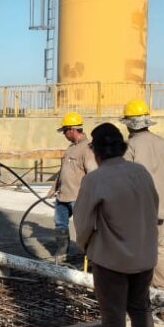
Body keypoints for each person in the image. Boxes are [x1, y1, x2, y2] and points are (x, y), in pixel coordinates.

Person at [73, 123, 161, 327]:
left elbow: (82, 222)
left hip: (111, 259)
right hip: (144, 256)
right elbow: (154, 206)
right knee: (141, 309)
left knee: (113, 315)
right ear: (122, 147)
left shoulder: (95, 180)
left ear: (96, 151)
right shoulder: (140, 172)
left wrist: (85, 246)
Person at [121, 98, 164, 291]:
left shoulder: (129, 146)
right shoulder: (163, 143)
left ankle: (137, 291)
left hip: (137, 208)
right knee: (159, 247)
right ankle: (163, 291)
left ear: (129, 123)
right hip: (160, 206)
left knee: (134, 249)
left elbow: (124, 179)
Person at [43, 111, 97, 263]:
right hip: (63, 195)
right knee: (60, 224)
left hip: (78, 197)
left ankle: (89, 260)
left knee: (83, 229)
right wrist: (53, 188)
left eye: (65, 131)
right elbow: (63, 171)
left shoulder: (88, 148)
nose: (64, 134)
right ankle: (62, 253)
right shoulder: (70, 148)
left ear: (72, 130)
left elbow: (93, 174)